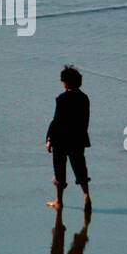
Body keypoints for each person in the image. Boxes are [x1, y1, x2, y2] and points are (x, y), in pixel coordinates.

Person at [45, 65, 91, 212]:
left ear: (65, 83)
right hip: (78, 138)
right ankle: (86, 196)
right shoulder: (84, 98)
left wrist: (49, 139)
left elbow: (56, 120)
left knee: (60, 169)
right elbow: (85, 120)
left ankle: (59, 201)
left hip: (61, 139)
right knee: (79, 167)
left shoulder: (62, 98)